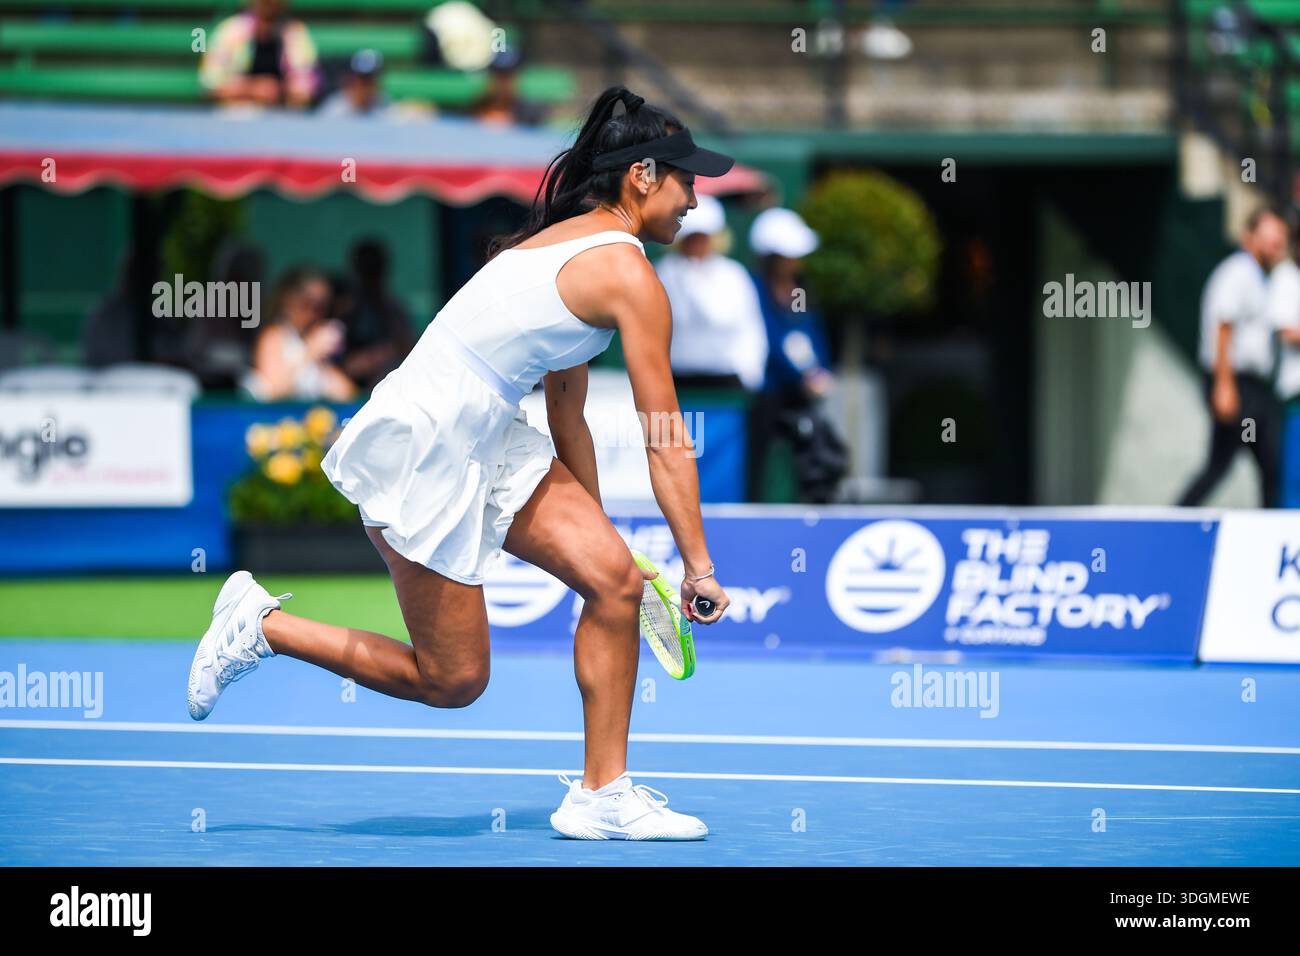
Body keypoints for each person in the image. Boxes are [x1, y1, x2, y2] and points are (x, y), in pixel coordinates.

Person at [186, 87, 733, 840]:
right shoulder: (627, 274)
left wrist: (599, 537)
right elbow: (666, 435)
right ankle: (264, 626)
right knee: (453, 681)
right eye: (687, 180)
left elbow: (566, 411)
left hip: (491, 427)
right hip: (430, 435)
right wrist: (699, 565)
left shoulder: (577, 245)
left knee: (613, 580)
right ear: (641, 176)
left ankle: (601, 796)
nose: (696, 201)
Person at [1178, 207, 1291, 508]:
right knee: (1231, 462)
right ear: (1249, 237)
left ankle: (1270, 528)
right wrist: (1224, 386)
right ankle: (1175, 519)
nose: (1275, 247)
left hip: (1251, 386)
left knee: (1263, 463)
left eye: (1279, 241)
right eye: (1269, 239)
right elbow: (1223, 326)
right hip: (1233, 381)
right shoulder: (1238, 272)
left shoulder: (1261, 278)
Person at [747, 207, 847, 503]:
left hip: (800, 396)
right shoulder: (753, 289)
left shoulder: (802, 290)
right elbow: (765, 337)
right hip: (763, 395)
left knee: (818, 449)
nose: (795, 260)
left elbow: (811, 335)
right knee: (757, 461)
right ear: (771, 257)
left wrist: (819, 372)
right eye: (788, 254)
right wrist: (801, 375)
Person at [654, 194, 768, 392]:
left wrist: (750, 373)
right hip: (677, 380)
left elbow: (750, 327)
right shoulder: (663, 272)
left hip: (726, 380)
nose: (698, 244)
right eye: (692, 237)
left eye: (703, 237)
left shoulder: (734, 274)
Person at [243, 265, 356, 401]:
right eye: (308, 303)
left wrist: (320, 358)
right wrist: (310, 352)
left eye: (323, 305)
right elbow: (274, 391)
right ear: (288, 299)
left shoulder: (312, 341)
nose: (316, 312)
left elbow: (347, 393)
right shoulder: (273, 336)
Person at [199, 0, 320, 109]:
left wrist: (278, 92)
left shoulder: (296, 33)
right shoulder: (229, 32)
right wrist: (253, 90)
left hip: (282, 116)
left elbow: (305, 89)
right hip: (233, 116)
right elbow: (211, 85)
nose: (269, 3)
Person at [336, 239, 415, 390]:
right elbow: (345, 366)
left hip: (390, 391)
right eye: (365, 268)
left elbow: (409, 351)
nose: (370, 276)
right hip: (349, 396)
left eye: (375, 268)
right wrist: (384, 353)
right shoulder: (344, 310)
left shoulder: (395, 310)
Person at [317, 49, 393, 118]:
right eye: (364, 81)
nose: (367, 88)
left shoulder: (384, 106)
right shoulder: (334, 109)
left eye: (372, 80)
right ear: (351, 81)